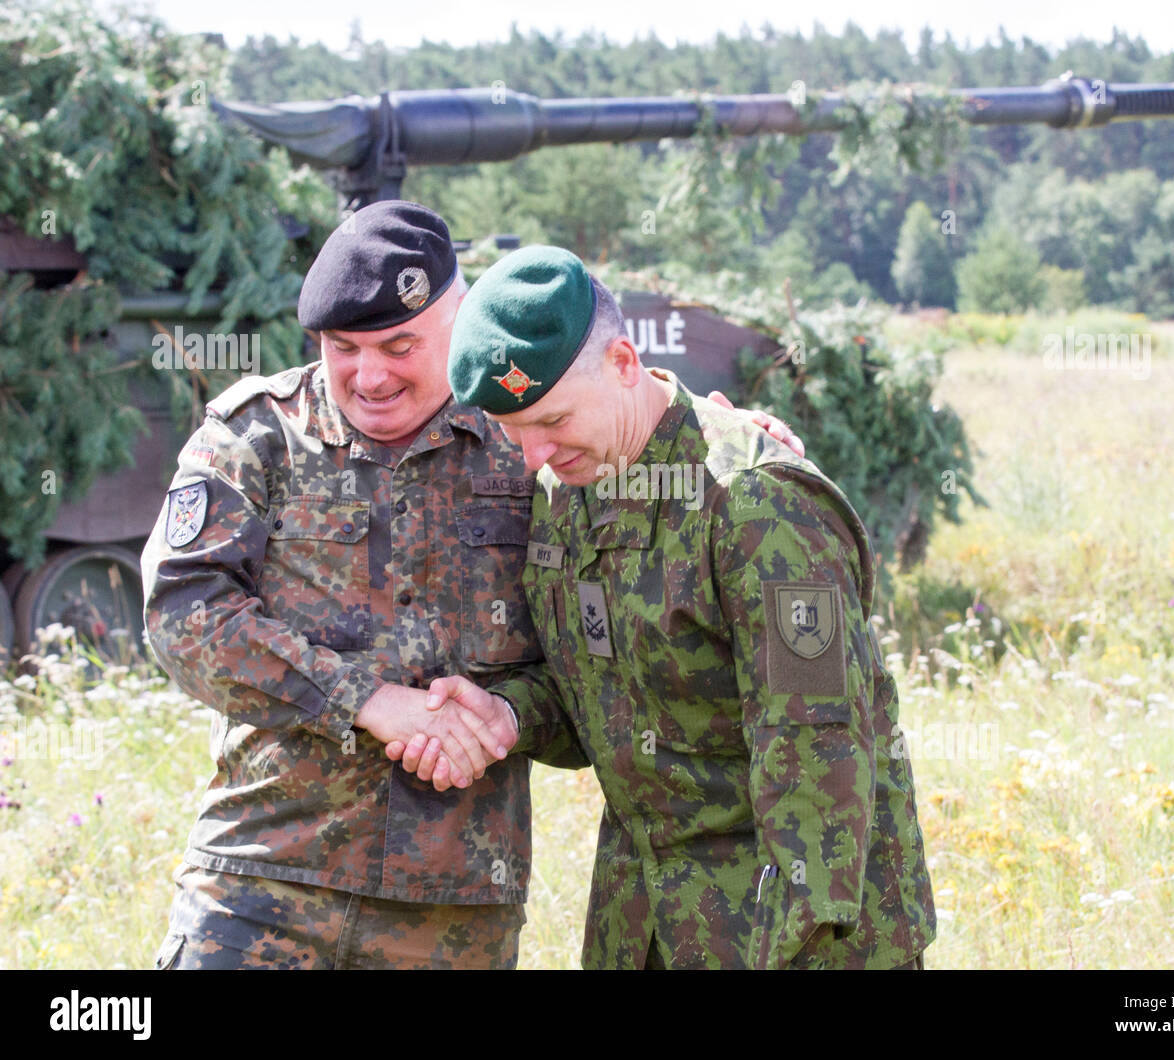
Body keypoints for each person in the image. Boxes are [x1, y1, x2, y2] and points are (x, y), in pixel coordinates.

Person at [142, 202, 802, 970]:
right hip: (261, 884)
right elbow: (184, 615)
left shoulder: (537, 440)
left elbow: (609, 647)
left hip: (457, 909)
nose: (370, 374)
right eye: (342, 348)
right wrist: (365, 702)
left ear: (459, 317)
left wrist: (504, 718)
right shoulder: (254, 437)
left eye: (399, 344)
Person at [403, 245, 937, 969]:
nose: (532, 455)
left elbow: (817, 745)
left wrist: (794, 940)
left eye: (551, 419)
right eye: (513, 430)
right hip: (647, 918)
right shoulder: (568, 490)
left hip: (793, 930)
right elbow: (603, 693)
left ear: (624, 363)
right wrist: (514, 714)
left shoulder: (755, 501)